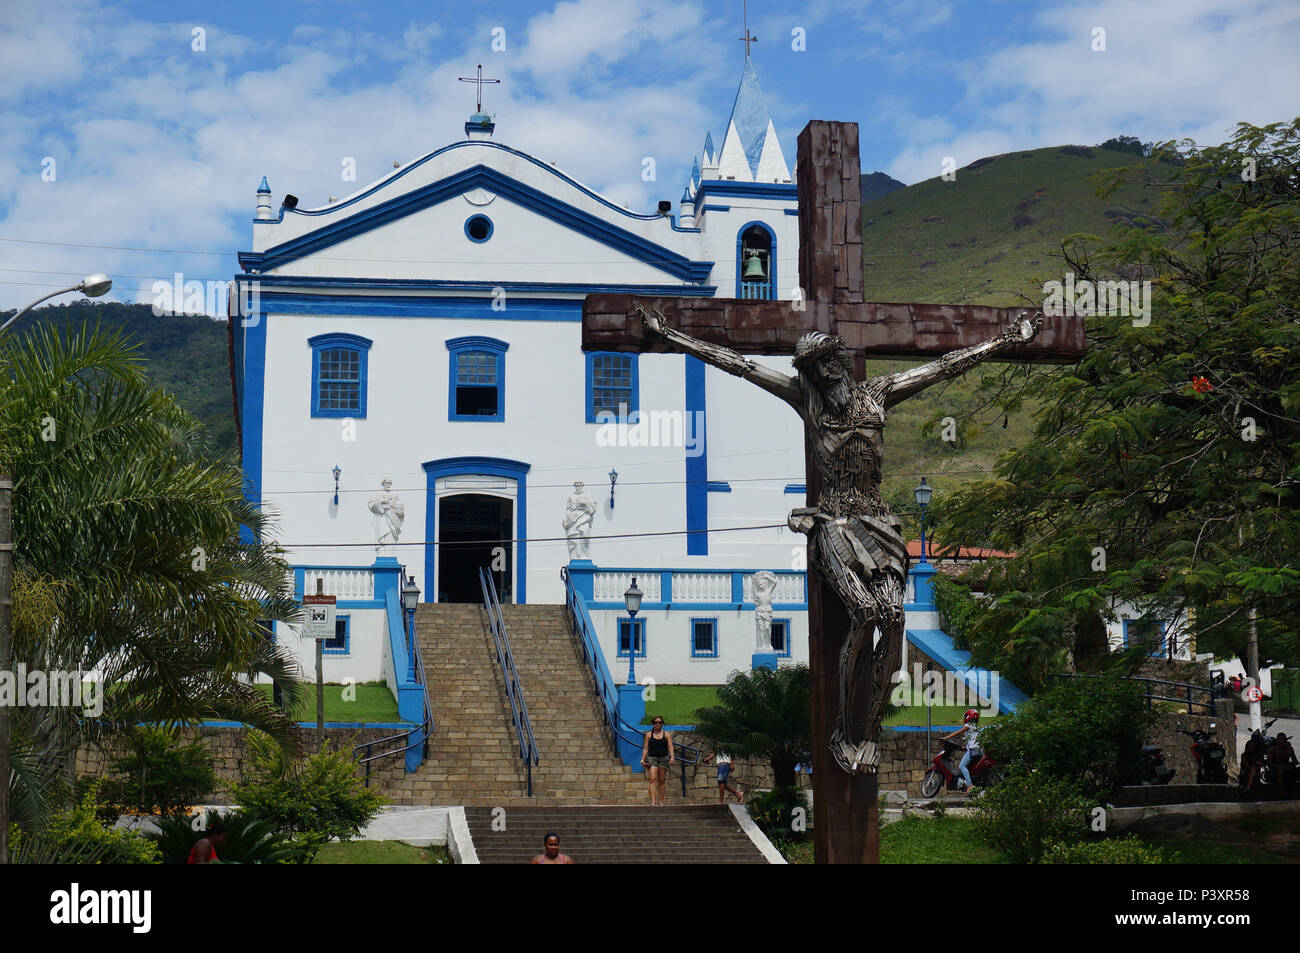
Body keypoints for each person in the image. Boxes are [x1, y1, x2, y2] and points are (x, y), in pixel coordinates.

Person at [941, 709, 982, 791]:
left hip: (973, 750)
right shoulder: (977, 727)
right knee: (969, 767)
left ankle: (969, 785)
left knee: (962, 766)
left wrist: (946, 737)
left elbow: (958, 732)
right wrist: (963, 747)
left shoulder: (969, 725)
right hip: (979, 750)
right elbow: (973, 739)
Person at [640, 717, 675, 805]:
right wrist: (642, 759)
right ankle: (652, 801)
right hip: (652, 758)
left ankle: (661, 801)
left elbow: (670, 746)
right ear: (653, 723)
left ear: (662, 723)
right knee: (653, 779)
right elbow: (645, 748)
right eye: (655, 722)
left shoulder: (666, 734)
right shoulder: (648, 735)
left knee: (662, 780)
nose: (657, 724)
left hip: (663, 758)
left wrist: (672, 757)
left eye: (659, 722)